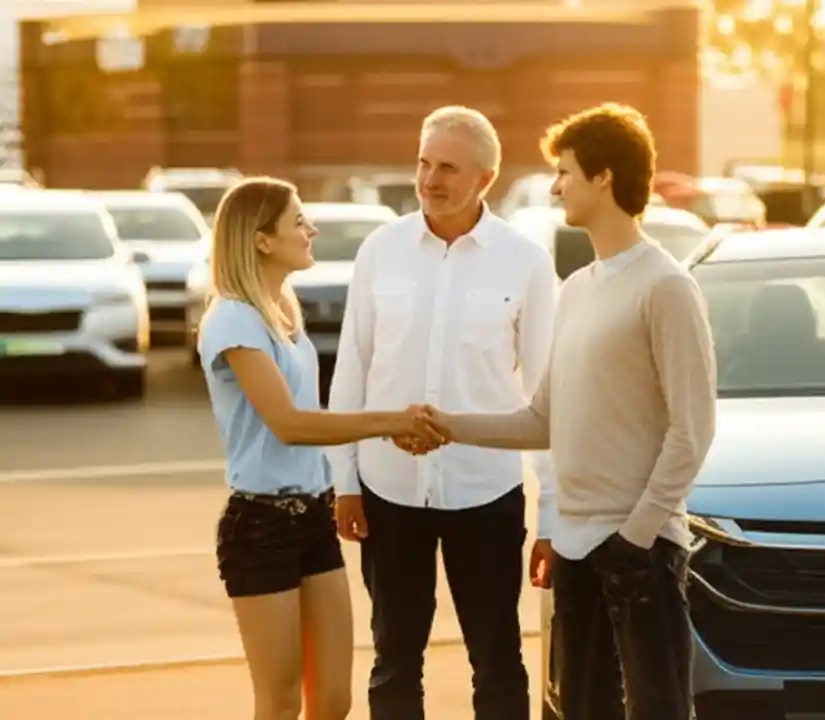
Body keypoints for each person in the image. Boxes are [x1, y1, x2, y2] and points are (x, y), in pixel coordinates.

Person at [418, 103, 717, 720]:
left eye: (566, 172)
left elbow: (693, 432)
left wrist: (634, 540)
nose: (556, 187)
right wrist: (445, 425)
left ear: (604, 177)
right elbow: (542, 421)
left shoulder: (666, 286)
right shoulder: (579, 286)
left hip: (641, 553)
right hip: (578, 553)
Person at [326, 106, 557, 720]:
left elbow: (546, 399)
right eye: (424, 162)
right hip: (387, 491)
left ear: (485, 178)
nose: (430, 179)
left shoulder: (527, 262)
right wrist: (345, 481)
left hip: (486, 494)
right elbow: (353, 366)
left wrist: (554, 514)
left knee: (499, 658)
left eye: (448, 167)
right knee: (393, 660)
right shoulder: (381, 250)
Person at [197, 177, 445, 720]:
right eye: (298, 221)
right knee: (281, 700)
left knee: (332, 701)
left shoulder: (280, 312)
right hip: (259, 527)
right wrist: (390, 423)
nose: (311, 229)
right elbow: (289, 423)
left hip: (311, 516)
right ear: (262, 240)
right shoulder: (234, 319)